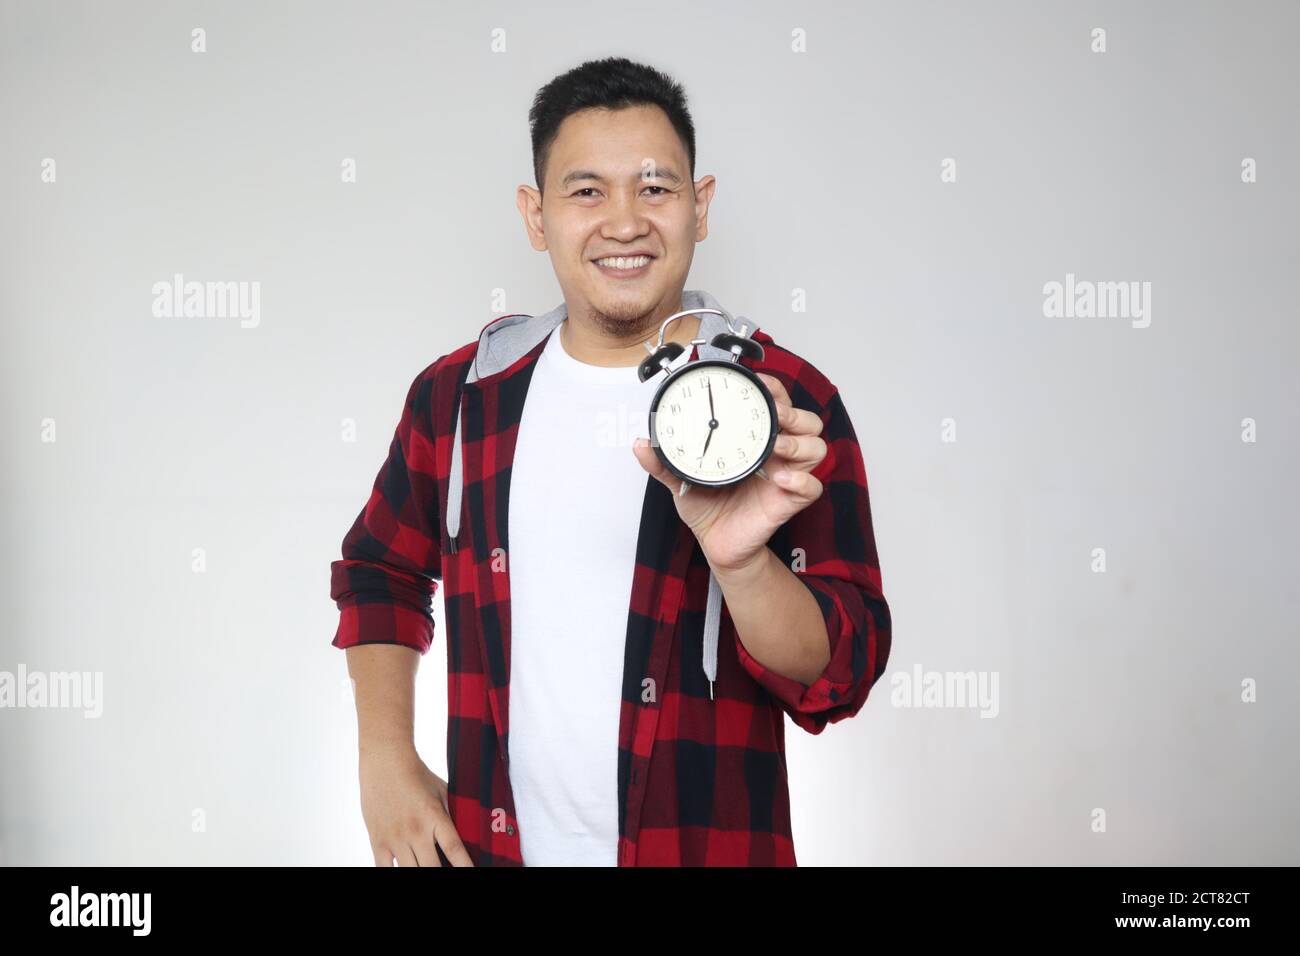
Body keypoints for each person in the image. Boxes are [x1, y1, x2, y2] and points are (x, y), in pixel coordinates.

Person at [329, 56, 892, 866]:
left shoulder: (785, 402)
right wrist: (383, 763)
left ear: (700, 208)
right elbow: (380, 571)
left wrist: (740, 564)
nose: (624, 222)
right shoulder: (459, 399)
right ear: (536, 215)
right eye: (587, 191)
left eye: (656, 189)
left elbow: (842, 668)